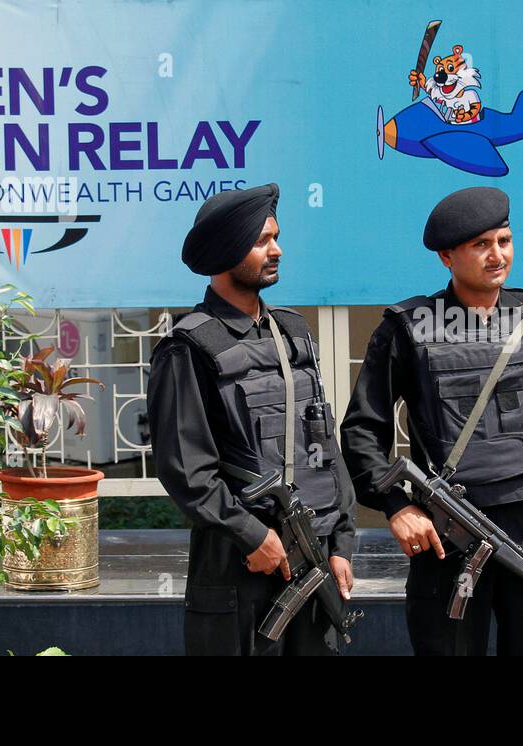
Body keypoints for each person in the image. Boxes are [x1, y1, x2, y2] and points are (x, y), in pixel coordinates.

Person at [340, 186, 523, 655]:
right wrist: (396, 506)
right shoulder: (408, 329)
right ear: (446, 256)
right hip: (447, 537)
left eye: (504, 241)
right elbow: (361, 432)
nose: (497, 256)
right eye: (481, 245)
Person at [147, 183, 357, 655]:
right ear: (226, 249)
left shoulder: (292, 331)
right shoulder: (188, 347)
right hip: (237, 566)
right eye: (261, 240)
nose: (276, 249)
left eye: (275, 237)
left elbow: (322, 444)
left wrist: (341, 541)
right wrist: (251, 535)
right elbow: (186, 471)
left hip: (314, 556)